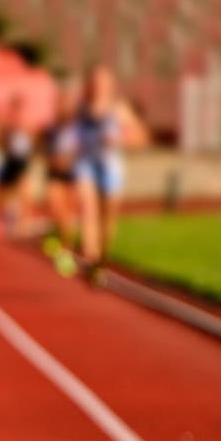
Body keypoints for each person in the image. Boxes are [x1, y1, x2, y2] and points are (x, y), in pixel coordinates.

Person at [73, 65, 148, 282]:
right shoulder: (80, 108)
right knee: (87, 206)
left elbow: (141, 138)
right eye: (94, 81)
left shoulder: (118, 109)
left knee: (108, 216)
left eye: (102, 82)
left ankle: (102, 259)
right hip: (86, 162)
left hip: (110, 165)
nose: (98, 86)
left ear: (110, 85)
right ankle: (90, 256)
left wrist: (120, 139)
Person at [40, 80, 80, 275]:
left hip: (72, 175)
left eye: (67, 103)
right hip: (54, 175)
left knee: (69, 216)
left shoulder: (79, 128)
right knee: (56, 208)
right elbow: (44, 149)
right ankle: (60, 242)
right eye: (60, 103)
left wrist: (70, 160)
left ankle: (66, 252)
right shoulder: (51, 128)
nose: (63, 107)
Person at [0, 95, 34, 236]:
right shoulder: (9, 125)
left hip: (22, 161)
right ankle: (8, 219)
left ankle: (25, 222)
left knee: (24, 192)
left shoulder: (26, 124)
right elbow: (1, 140)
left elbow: (31, 142)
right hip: (10, 160)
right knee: (5, 192)